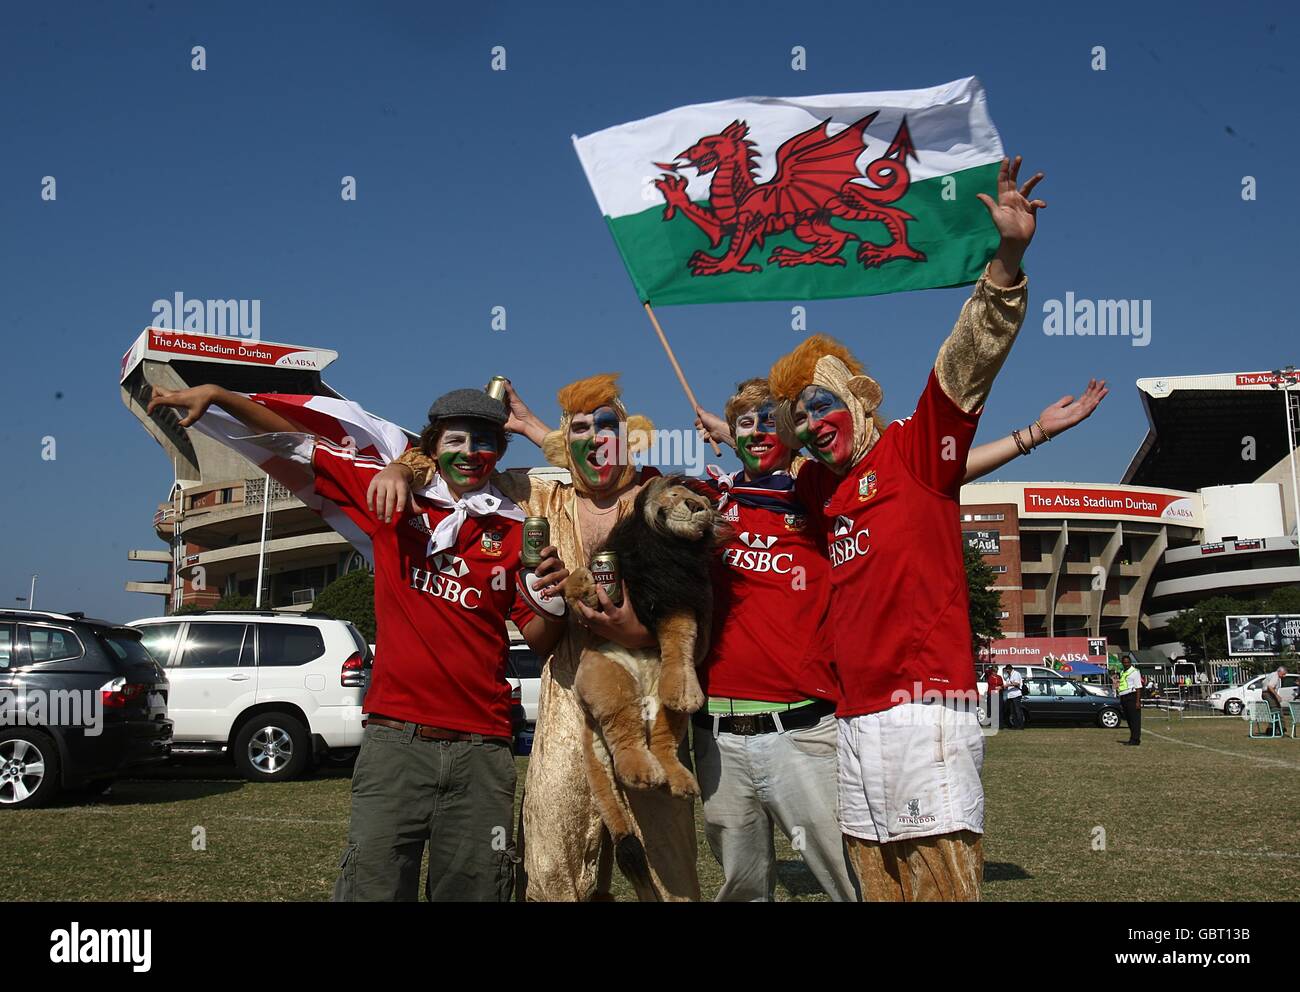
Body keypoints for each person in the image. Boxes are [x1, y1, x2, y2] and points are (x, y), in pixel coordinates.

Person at [688, 373, 1105, 901]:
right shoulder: (714, 502)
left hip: (807, 723)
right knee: (753, 885)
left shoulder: (814, 491)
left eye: (771, 421)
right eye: (745, 424)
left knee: (858, 881)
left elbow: (930, 475)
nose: (757, 432)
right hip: (723, 734)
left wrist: (1031, 435)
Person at [147, 382, 570, 901]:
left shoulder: (514, 529)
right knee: (373, 886)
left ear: (500, 452)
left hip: (483, 748)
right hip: (397, 741)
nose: (471, 454)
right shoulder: (390, 494)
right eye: (457, 440)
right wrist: (216, 395)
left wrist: (550, 598)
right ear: (433, 445)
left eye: (485, 442)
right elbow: (297, 442)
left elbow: (541, 639)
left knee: (478, 889)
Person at [766, 154, 1045, 902]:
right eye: (802, 419)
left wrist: (1007, 261)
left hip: (927, 709)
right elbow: (758, 448)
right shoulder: (821, 493)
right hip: (855, 717)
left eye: (825, 407)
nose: (814, 425)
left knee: (941, 887)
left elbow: (965, 367)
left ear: (859, 399)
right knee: (874, 882)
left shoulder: (915, 450)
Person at [372, 373, 701, 901]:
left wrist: (635, 629)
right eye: (581, 429)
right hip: (567, 697)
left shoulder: (659, 500)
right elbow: (456, 464)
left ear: (631, 435)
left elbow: (696, 607)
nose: (596, 437)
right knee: (553, 860)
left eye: (607, 426)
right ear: (564, 443)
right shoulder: (540, 496)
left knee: (665, 864)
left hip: (646, 705)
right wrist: (402, 466)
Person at [1115, 656, 1142, 746]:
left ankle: (1135, 739)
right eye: (1124, 662)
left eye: (1127, 662)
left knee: (1134, 720)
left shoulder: (1135, 672)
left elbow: (1138, 687)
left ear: (1130, 662)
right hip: (1124, 697)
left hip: (1132, 696)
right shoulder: (1123, 672)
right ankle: (1133, 737)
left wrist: (1137, 701)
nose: (1126, 664)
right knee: (1129, 719)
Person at [1263, 664, 1289, 731]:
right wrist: (1277, 696)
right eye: (1283, 674)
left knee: (1278, 709)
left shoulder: (1272, 674)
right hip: (1268, 694)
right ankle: (1274, 729)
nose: (1284, 676)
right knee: (1275, 710)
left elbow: (1263, 682)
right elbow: (1270, 687)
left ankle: (1279, 727)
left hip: (1267, 694)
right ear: (1279, 671)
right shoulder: (1275, 676)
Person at [1003, 665, 1024, 729]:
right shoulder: (1009, 676)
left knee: (1018, 711)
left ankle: (1021, 725)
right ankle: (1015, 725)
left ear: (1009, 669)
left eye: (1007, 670)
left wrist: (1008, 685)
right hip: (1010, 696)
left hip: (1016, 695)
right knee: (1012, 712)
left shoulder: (1016, 674)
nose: (1006, 672)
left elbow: (1017, 683)